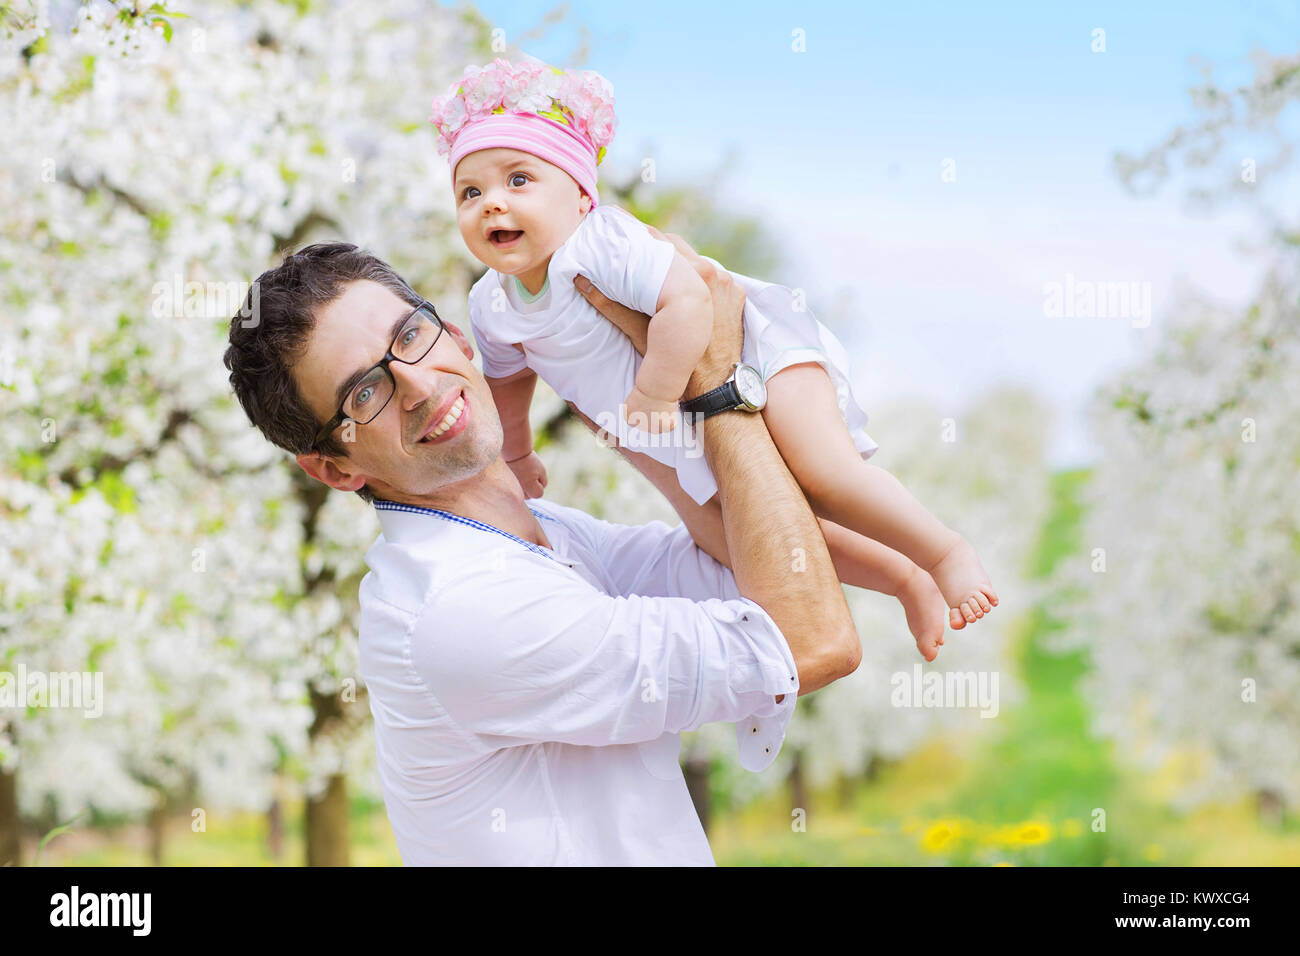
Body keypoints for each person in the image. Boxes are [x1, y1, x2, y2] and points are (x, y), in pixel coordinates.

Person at [223, 234, 860, 865]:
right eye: (364, 393)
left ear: (456, 334)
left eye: (411, 336)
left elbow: (766, 573)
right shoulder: (461, 608)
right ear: (335, 468)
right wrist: (715, 383)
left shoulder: (542, 535)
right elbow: (810, 639)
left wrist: (638, 422)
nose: (417, 385)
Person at [430, 57, 999, 657]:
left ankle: (943, 551)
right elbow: (507, 380)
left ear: (579, 197)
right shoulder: (492, 303)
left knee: (822, 474)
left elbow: (690, 300)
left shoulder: (600, 244)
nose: (492, 203)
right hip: (685, 418)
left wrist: (654, 389)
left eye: (518, 180)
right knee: (732, 537)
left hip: (757, 352)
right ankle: (904, 579)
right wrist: (517, 454)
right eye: (471, 192)